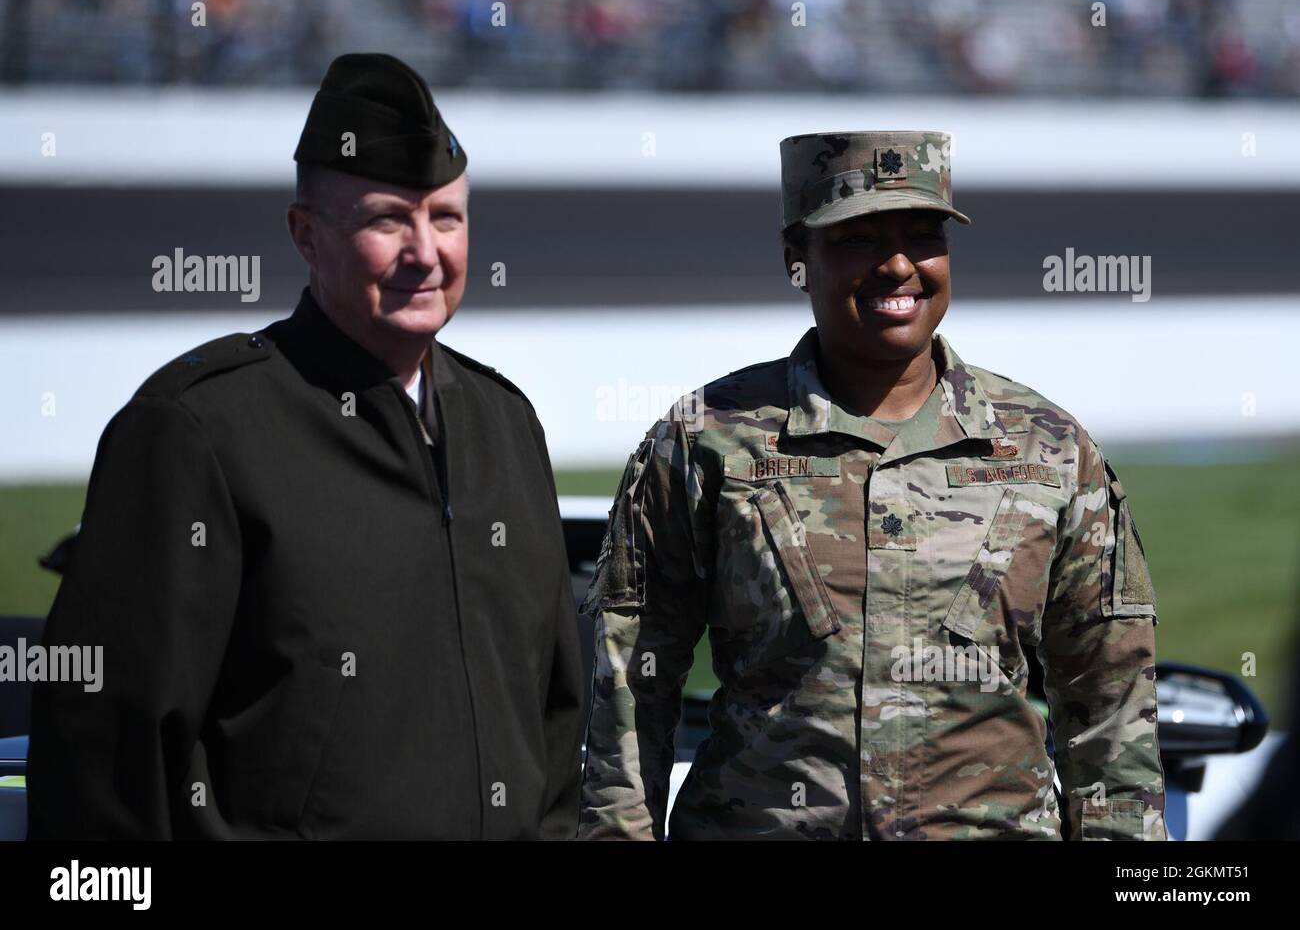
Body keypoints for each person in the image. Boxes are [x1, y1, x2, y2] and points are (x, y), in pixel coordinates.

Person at [28, 53, 584, 840]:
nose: (425, 252)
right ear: (306, 235)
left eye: (447, 217)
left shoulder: (507, 426)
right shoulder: (198, 430)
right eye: (388, 218)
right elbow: (104, 764)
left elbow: (554, 729)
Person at [578, 130, 1166, 840]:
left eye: (922, 237)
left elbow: (1110, 706)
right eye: (858, 240)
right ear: (797, 259)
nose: (897, 266)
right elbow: (630, 685)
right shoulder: (706, 440)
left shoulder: (1050, 450)